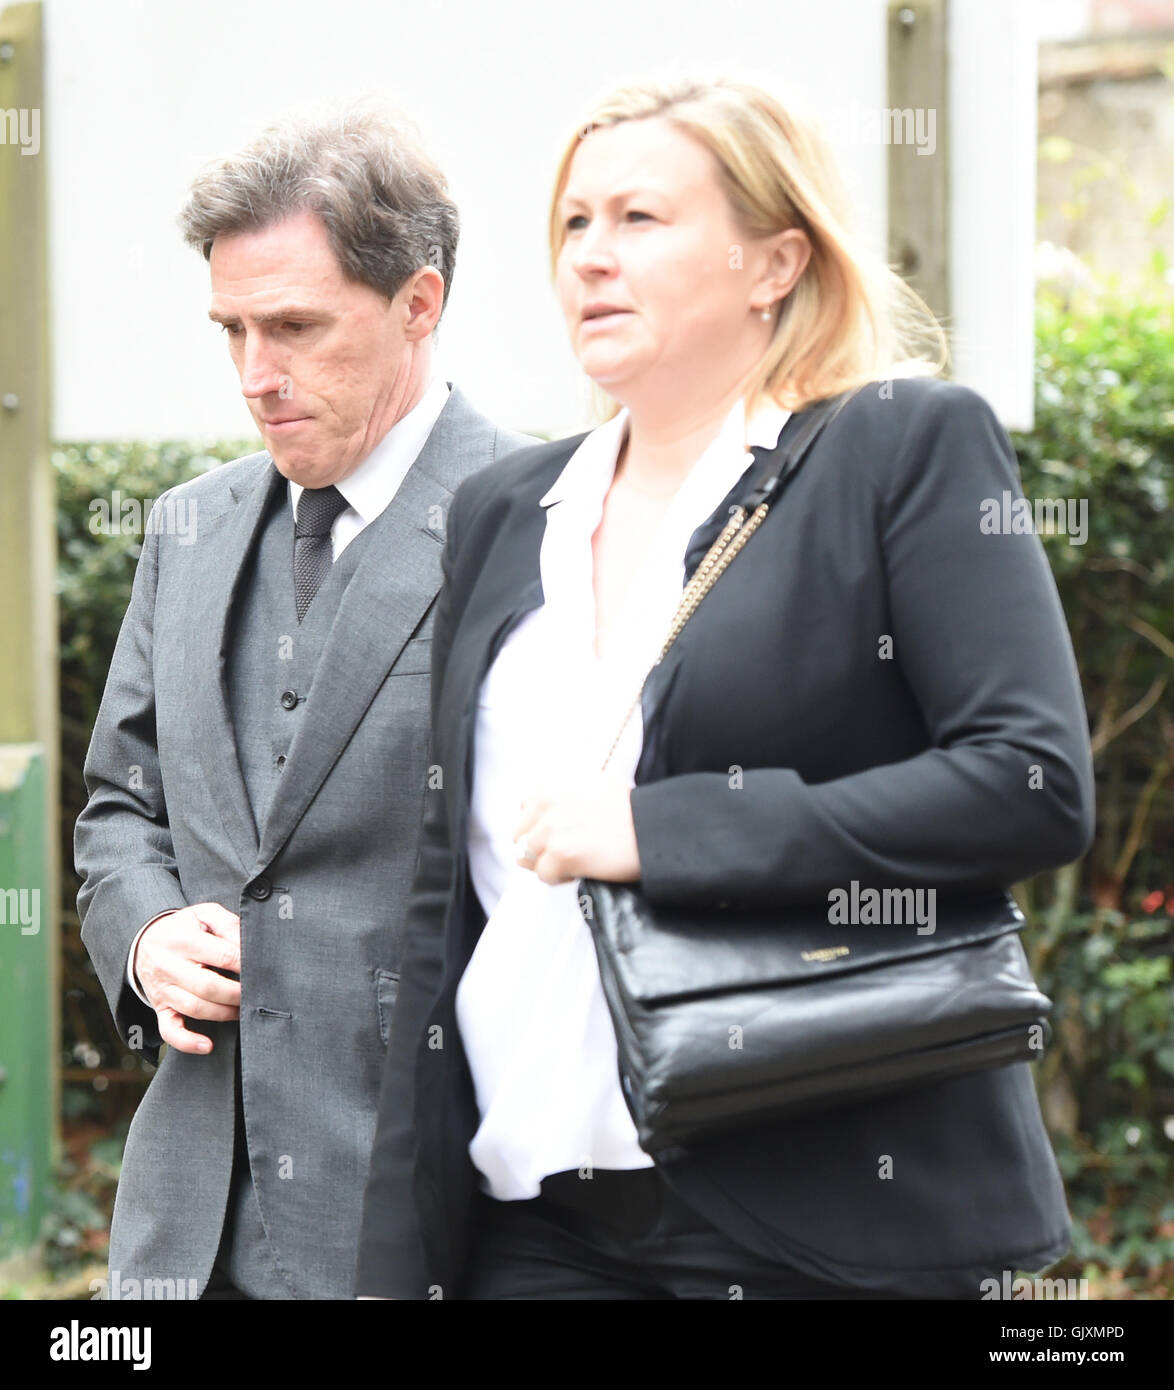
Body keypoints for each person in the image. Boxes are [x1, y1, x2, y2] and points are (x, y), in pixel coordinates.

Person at [355, 73, 1095, 1301]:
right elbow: (453, 893)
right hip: (532, 1212)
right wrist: (401, 1243)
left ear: (774, 261)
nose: (590, 256)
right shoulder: (503, 509)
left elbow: (1029, 784)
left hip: (819, 1206)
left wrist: (667, 829)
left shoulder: (898, 447)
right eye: (573, 224)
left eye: (639, 220)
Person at [73, 105, 535, 1299]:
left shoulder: (541, 521)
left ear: (418, 304)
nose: (253, 377)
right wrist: (145, 933)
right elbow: (119, 811)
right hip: (181, 1231)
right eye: (230, 329)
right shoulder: (185, 525)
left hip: (430, 1217)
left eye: (293, 327)